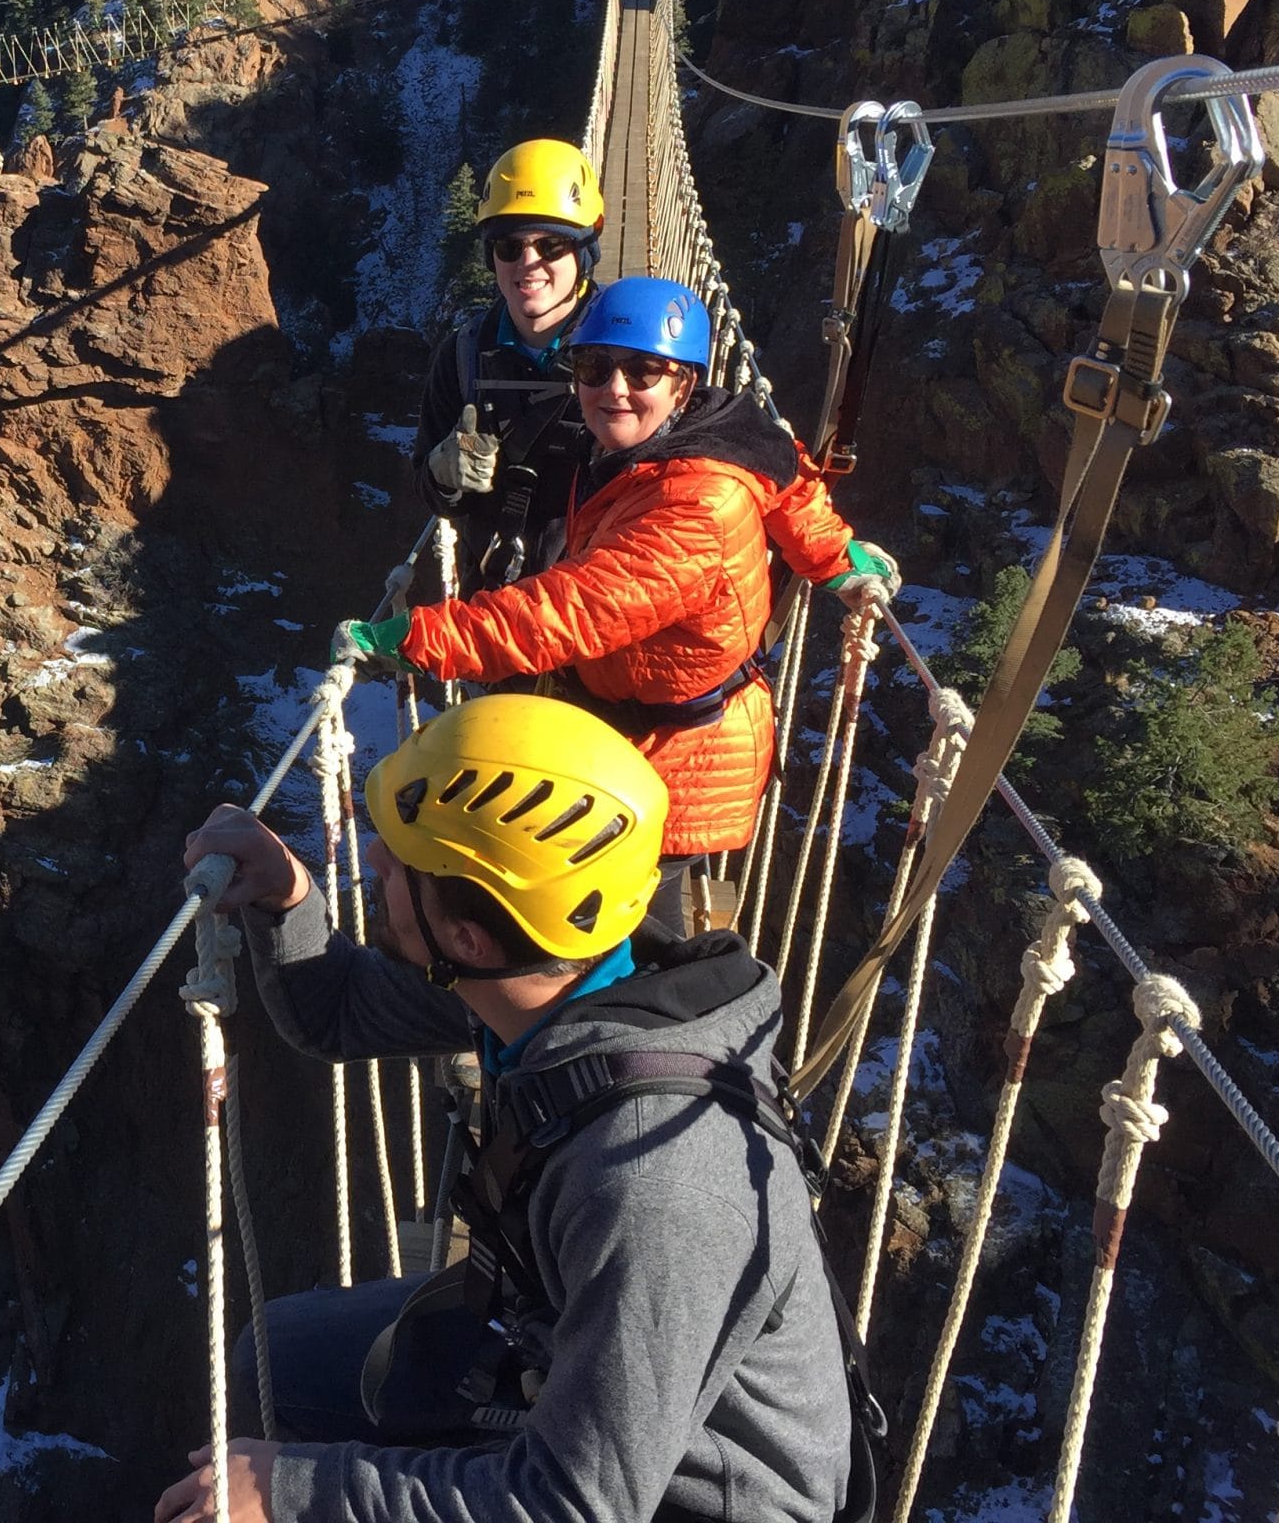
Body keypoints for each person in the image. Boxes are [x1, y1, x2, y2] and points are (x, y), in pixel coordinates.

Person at [153, 694, 876, 1523]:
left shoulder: (656, 1186)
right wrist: (286, 898)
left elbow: (573, 1505)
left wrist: (291, 1491)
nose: (378, 857)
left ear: (468, 939)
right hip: (562, 1350)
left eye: (402, 859)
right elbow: (339, 1012)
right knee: (276, 1363)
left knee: (279, 1458)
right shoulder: (558, 978)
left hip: (689, 1493)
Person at [348, 276, 898, 929]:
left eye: (643, 371)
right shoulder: (720, 432)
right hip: (649, 732)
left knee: (628, 939)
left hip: (675, 765)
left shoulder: (694, 505)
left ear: (684, 385)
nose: (615, 388)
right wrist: (834, 557)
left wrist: (411, 640)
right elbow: (786, 480)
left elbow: (573, 611)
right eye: (594, 366)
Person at [414, 139, 601, 592]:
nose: (529, 262)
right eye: (508, 246)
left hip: (591, 608)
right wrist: (444, 474)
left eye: (551, 244)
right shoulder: (463, 356)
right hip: (496, 612)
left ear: (583, 251)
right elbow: (431, 489)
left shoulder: (627, 357)